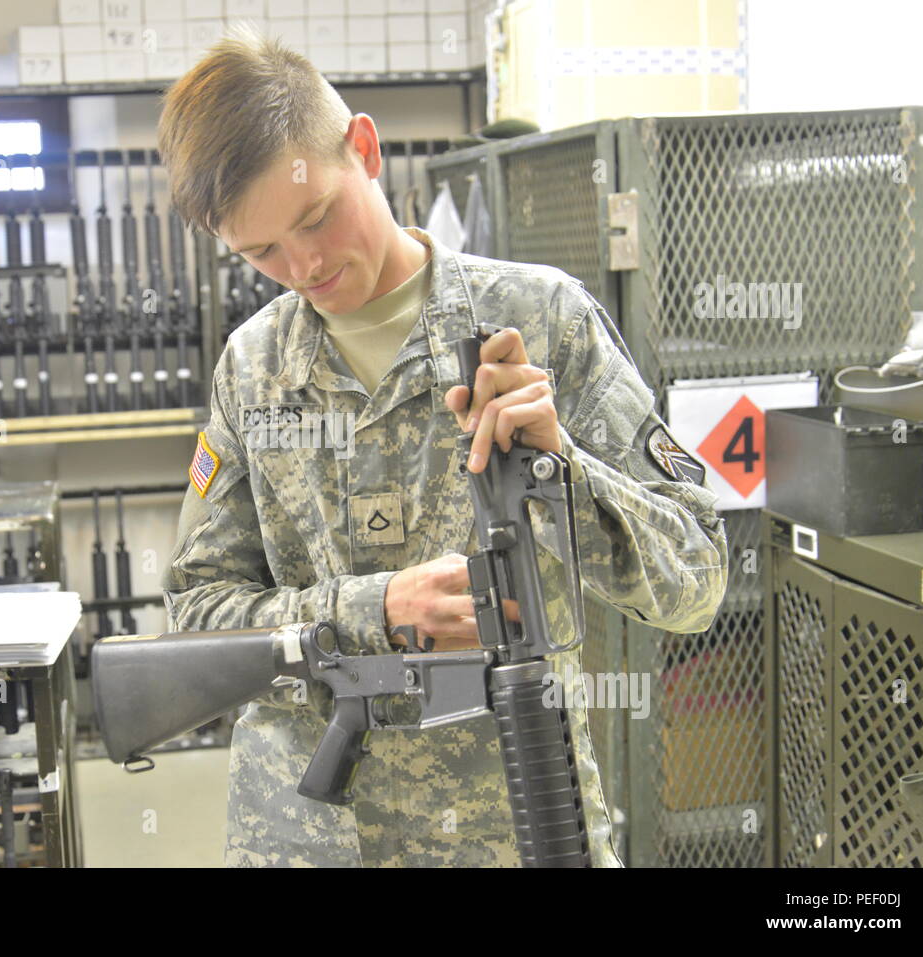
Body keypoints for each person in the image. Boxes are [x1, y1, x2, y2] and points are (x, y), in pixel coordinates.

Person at [157, 26, 729, 867]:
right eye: (262, 252)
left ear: (364, 147)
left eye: (316, 216)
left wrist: (559, 471)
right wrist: (372, 611)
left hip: (516, 826)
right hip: (306, 836)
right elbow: (196, 620)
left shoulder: (543, 323)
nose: (306, 262)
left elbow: (699, 582)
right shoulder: (252, 368)